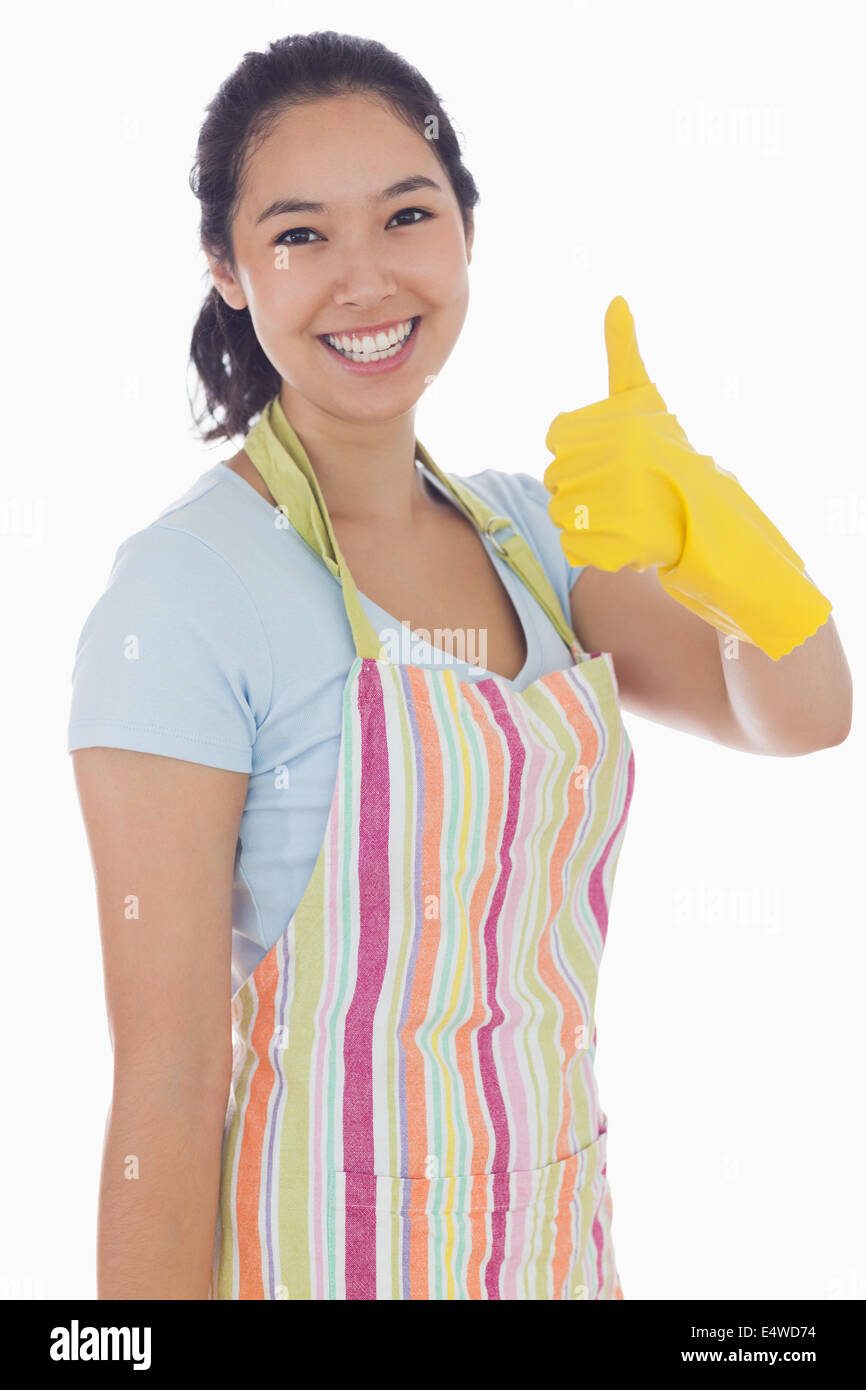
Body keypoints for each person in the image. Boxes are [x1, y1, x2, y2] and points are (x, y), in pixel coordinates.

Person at [68, 30, 852, 1302]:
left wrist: (724, 539)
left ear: (467, 232)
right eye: (299, 235)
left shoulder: (538, 537)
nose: (365, 279)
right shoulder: (189, 590)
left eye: (406, 214)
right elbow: (164, 1078)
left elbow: (804, 715)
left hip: (553, 1253)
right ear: (228, 270)